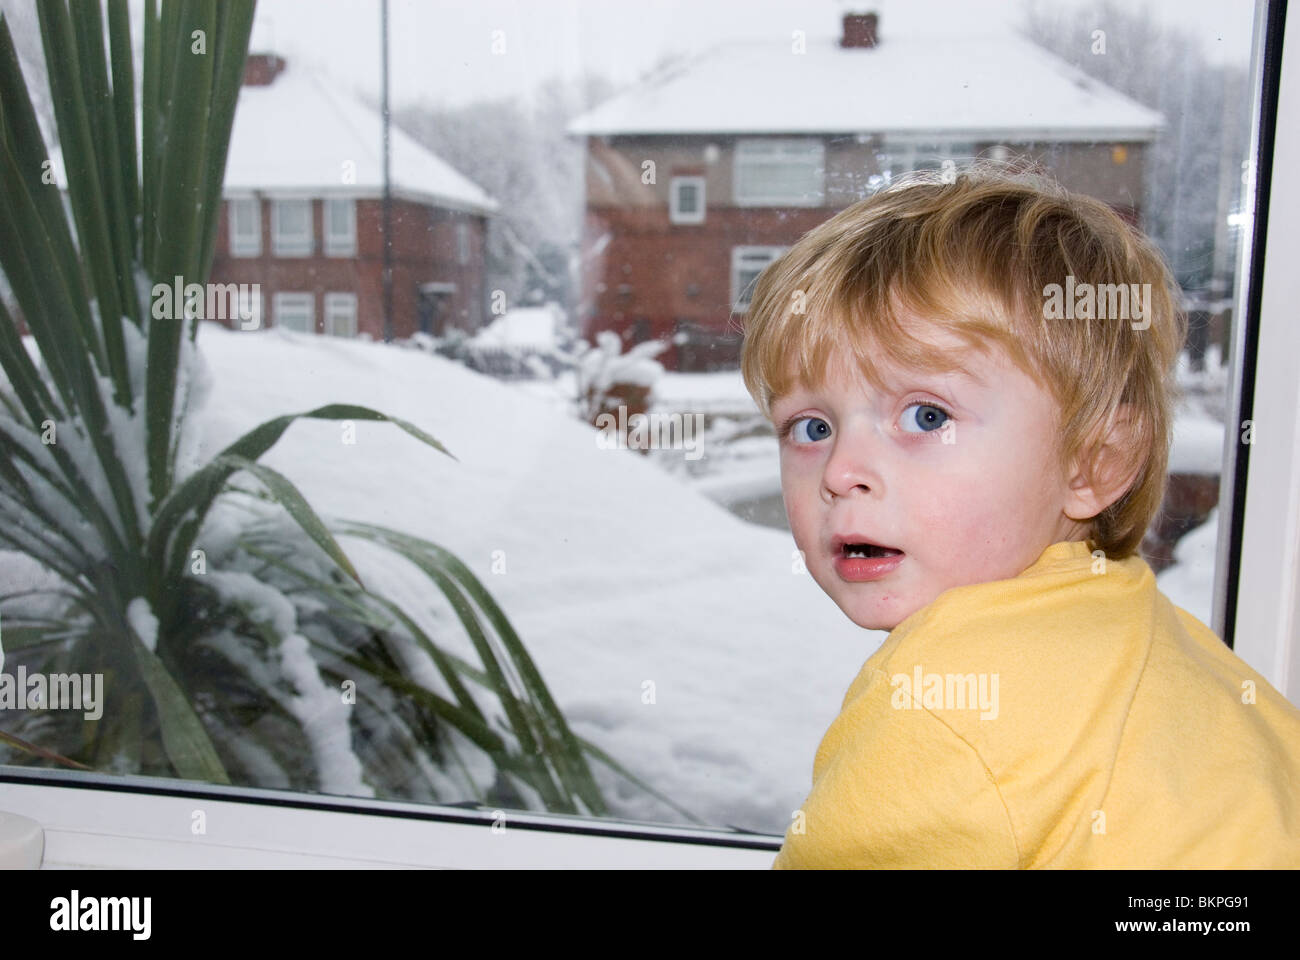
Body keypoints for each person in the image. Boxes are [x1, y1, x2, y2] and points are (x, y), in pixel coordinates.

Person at [740, 160, 1300, 868]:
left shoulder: (941, 710)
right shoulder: (1144, 638)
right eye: (811, 427)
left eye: (925, 414)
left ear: (1093, 464)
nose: (842, 472)